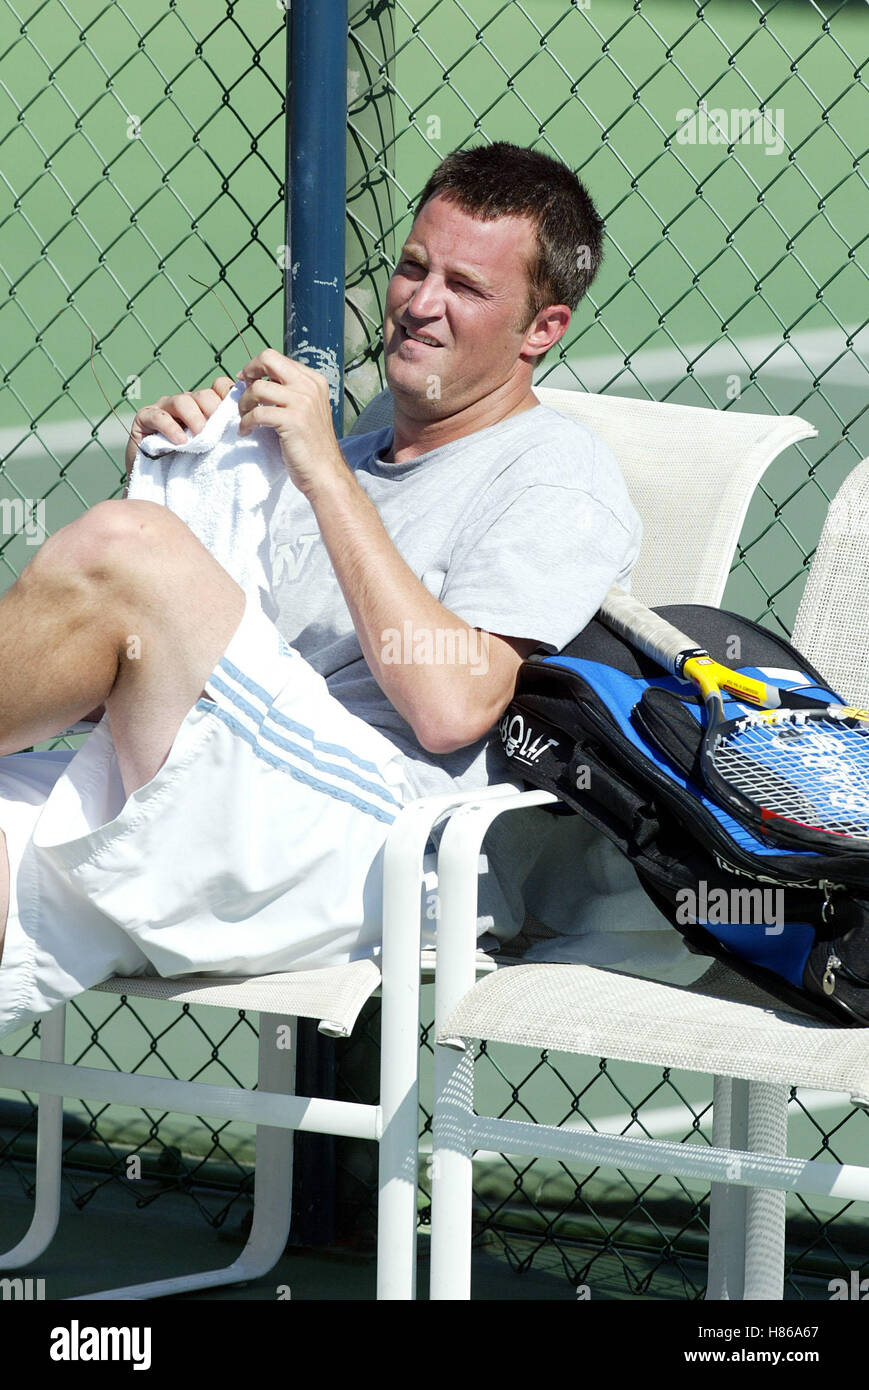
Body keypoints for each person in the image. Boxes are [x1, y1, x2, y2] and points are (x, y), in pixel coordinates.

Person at [0, 142, 641, 1038]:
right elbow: (179, 653)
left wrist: (319, 480)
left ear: (542, 329)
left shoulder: (556, 472)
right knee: (137, 545)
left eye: (465, 287)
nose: (420, 304)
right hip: (234, 789)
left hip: (382, 836)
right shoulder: (351, 451)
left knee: (128, 546)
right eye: (413, 267)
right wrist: (185, 479)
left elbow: (454, 707)